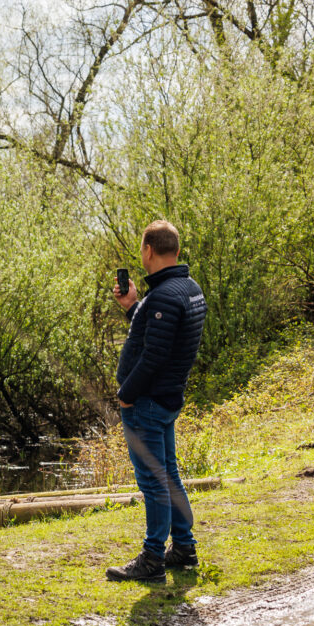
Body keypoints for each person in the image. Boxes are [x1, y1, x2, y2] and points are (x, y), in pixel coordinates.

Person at [107, 220, 207, 583]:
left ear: (149, 250)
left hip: (148, 403)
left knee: (153, 482)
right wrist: (133, 306)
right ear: (175, 250)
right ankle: (183, 547)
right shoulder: (187, 289)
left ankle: (152, 559)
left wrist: (126, 394)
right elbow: (161, 334)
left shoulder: (165, 295)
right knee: (169, 475)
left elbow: (154, 355)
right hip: (167, 399)